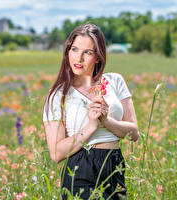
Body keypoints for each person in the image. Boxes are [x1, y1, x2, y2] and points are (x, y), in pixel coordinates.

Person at [43, 23, 139, 200]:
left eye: (87, 52)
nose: (78, 58)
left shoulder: (115, 81)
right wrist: (92, 125)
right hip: (81, 168)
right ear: (67, 51)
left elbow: (134, 133)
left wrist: (106, 121)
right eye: (74, 49)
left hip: (114, 164)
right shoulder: (58, 95)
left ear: (98, 57)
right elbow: (56, 153)